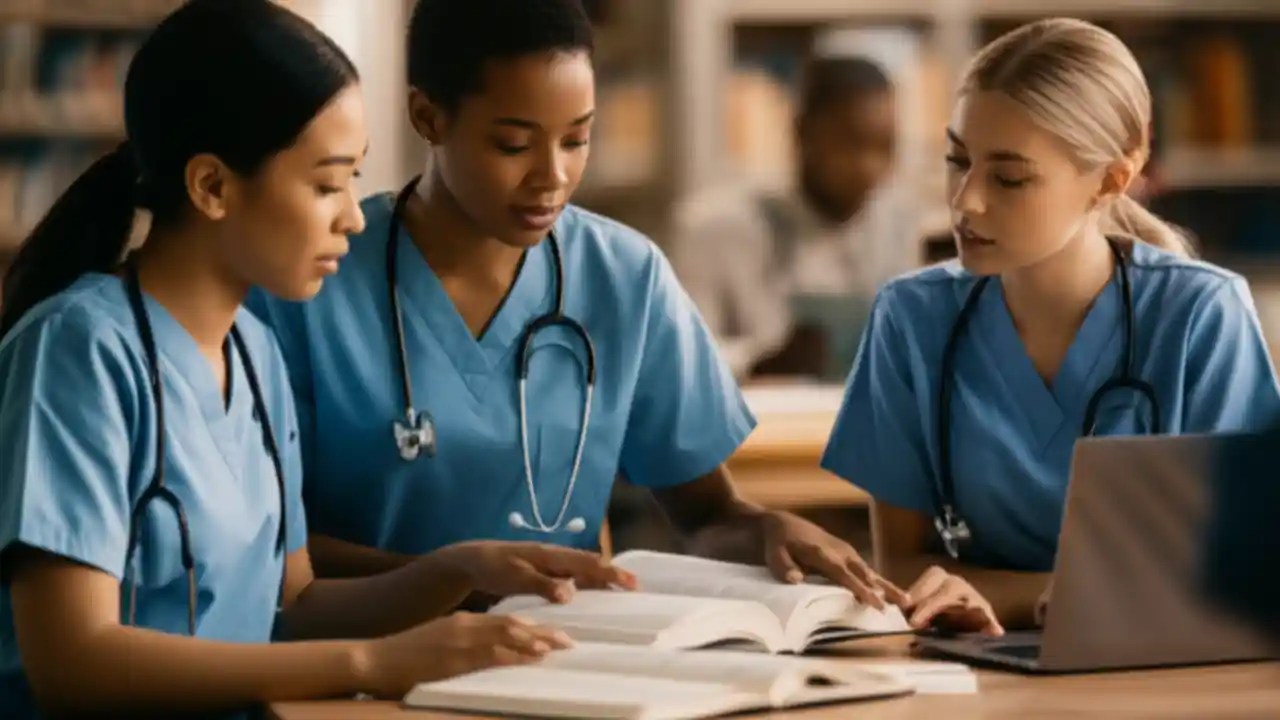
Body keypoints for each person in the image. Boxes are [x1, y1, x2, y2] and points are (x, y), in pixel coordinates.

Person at [0, 2, 636, 717]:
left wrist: (456, 570)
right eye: (326, 184)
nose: (355, 216)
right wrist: (370, 662)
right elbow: (71, 658)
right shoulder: (79, 349)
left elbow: (295, 603)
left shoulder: (257, 353)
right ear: (212, 186)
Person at [248, 0, 955, 618]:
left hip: (566, 660)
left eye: (577, 138)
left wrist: (766, 529)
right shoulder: (312, 284)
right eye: (513, 143)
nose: (552, 178)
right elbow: (270, 550)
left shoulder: (623, 276)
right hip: (359, 664)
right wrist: (451, 580)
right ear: (427, 115)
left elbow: (704, 515)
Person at [822, 17, 1280, 633]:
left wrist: (1018, 595)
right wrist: (1069, 595)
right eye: (959, 161)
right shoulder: (911, 318)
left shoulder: (1201, 316)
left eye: (1009, 177)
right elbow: (902, 567)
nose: (966, 201)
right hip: (972, 667)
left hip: (1156, 670)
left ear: (1113, 179)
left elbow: (1242, 573)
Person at [672, 55, 917, 381]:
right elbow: (681, 358)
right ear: (802, 133)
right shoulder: (717, 229)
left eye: (884, 146)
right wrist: (757, 364)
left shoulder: (902, 228)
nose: (868, 167)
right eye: (851, 144)